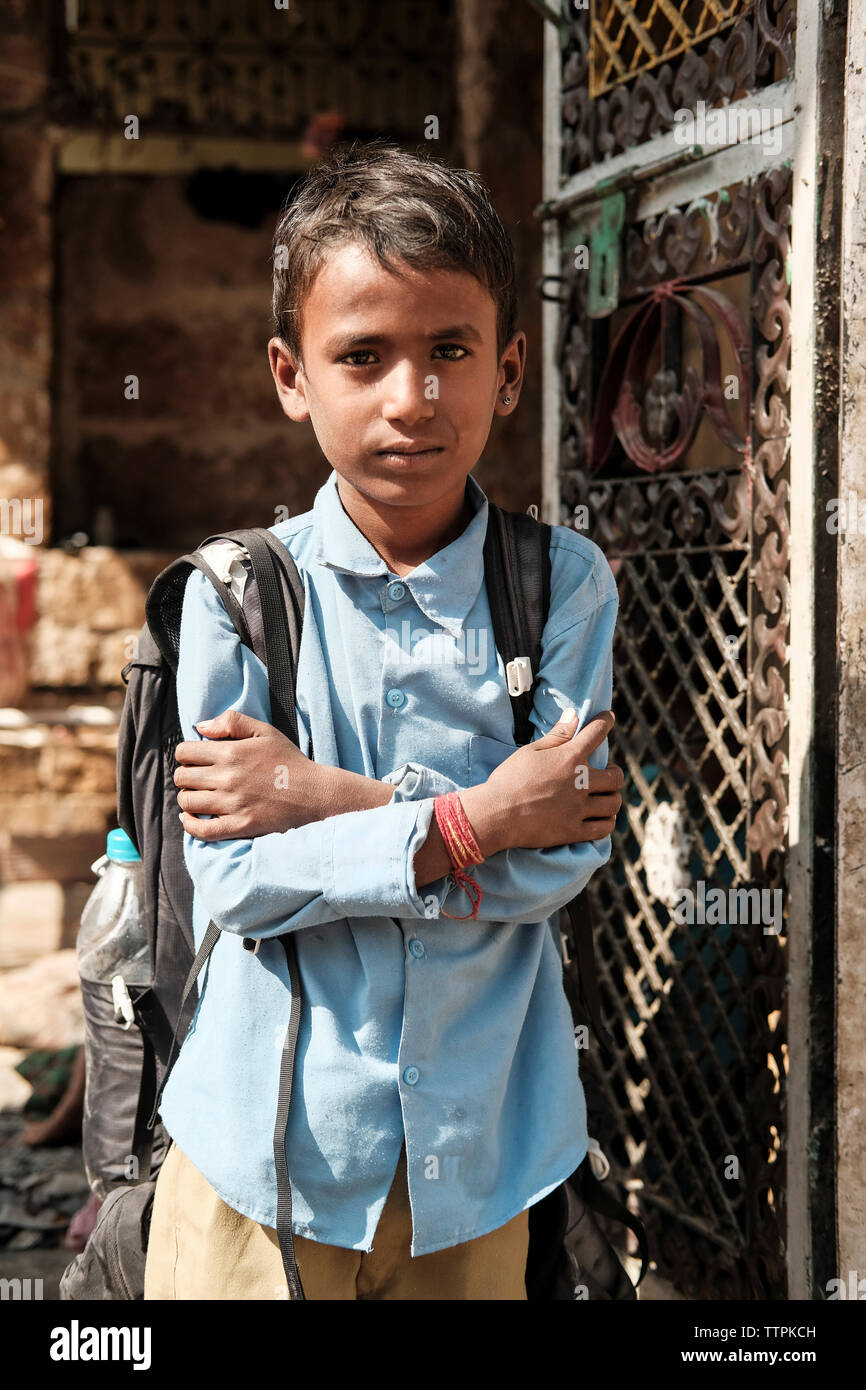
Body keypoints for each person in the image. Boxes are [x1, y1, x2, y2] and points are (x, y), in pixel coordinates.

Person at [143, 141, 623, 1301]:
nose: (412, 399)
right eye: (362, 356)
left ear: (507, 370)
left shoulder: (560, 585)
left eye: (449, 351)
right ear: (290, 375)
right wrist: (477, 819)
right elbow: (240, 883)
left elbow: (558, 858)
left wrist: (326, 797)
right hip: (267, 1158)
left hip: (479, 1159)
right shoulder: (237, 597)